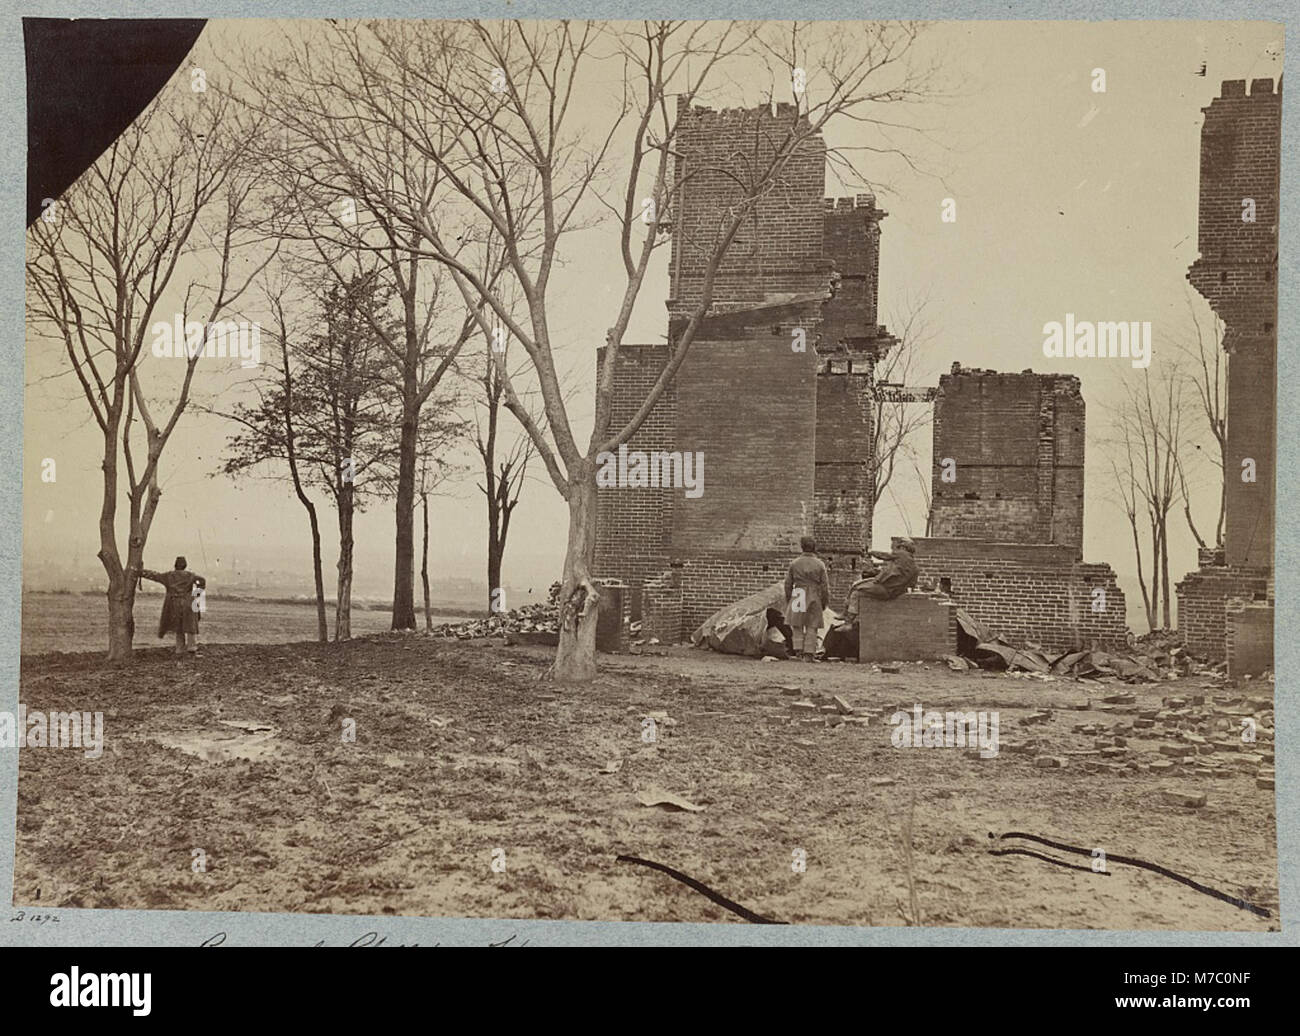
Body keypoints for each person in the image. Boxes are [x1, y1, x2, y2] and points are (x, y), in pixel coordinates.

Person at [824, 538, 920, 659]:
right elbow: (911, 586)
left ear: (904, 548)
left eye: (899, 547)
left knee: (856, 591)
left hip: (884, 588)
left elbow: (884, 555)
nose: (897, 549)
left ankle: (848, 621)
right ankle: (845, 614)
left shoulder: (902, 555)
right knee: (857, 586)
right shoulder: (915, 567)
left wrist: (871, 552)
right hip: (893, 592)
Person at [138, 556, 207, 657]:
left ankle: (179, 649)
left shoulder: (168, 576)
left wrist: (141, 572)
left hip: (174, 604)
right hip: (188, 603)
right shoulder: (191, 576)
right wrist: (196, 594)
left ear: (175, 565)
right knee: (190, 626)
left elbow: (155, 576)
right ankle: (191, 648)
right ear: (185, 566)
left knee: (178, 627)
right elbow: (202, 581)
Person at [784, 536, 830, 662]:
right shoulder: (820, 564)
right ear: (814, 547)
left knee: (796, 624)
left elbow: (788, 584)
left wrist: (789, 599)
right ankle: (809, 654)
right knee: (812, 624)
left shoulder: (794, 563)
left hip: (798, 593)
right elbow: (825, 586)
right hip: (814, 595)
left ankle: (798, 651)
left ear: (802, 547)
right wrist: (824, 601)